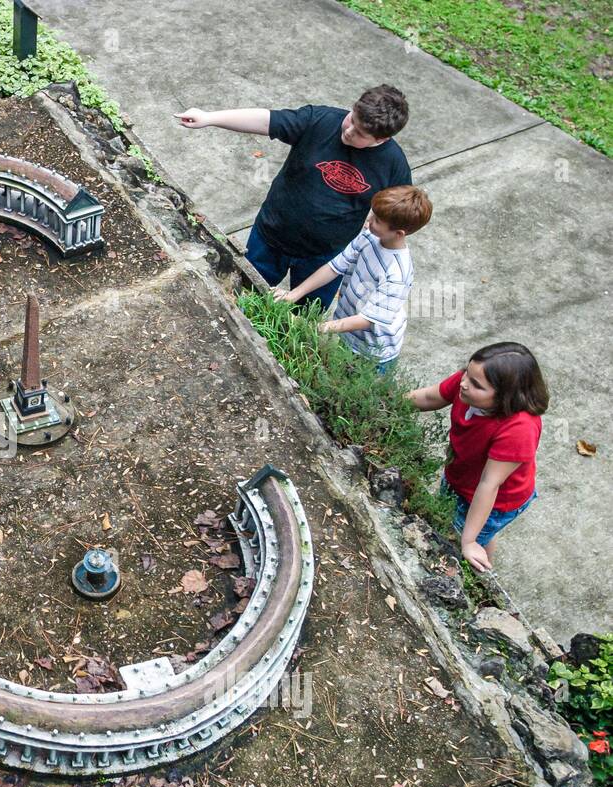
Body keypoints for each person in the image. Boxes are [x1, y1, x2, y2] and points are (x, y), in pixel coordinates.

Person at [179, 85, 413, 311]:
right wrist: (209, 118)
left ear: (381, 140)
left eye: (360, 133)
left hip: (326, 257)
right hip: (270, 236)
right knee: (244, 294)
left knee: (304, 314)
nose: (349, 130)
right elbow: (267, 121)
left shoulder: (393, 165)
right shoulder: (320, 120)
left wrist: (377, 221)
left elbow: (402, 210)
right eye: (352, 118)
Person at [406, 343, 549, 572]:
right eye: (467, 373)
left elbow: (489, 484)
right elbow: (430, 397)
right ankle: (484, 559)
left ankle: (477, 569)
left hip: (495, 501)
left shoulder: (519, 429)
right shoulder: (467, 386)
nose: (463, 383)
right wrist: (391, 402)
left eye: (476, 385)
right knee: (481, 532)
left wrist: (469, 541)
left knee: (455, 541)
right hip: (461, 477)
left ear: (505, 396)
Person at [275, 185, 432, 374]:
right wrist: (294, 294)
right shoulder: (369, 236)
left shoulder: (397, 274)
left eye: (377, 220)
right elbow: (335, 267)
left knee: (357, 387)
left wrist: (319, 327)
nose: (368, 221)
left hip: (373, 351)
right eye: (372, 214)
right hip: (348, 332)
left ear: (399, 233)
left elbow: (368, 319)